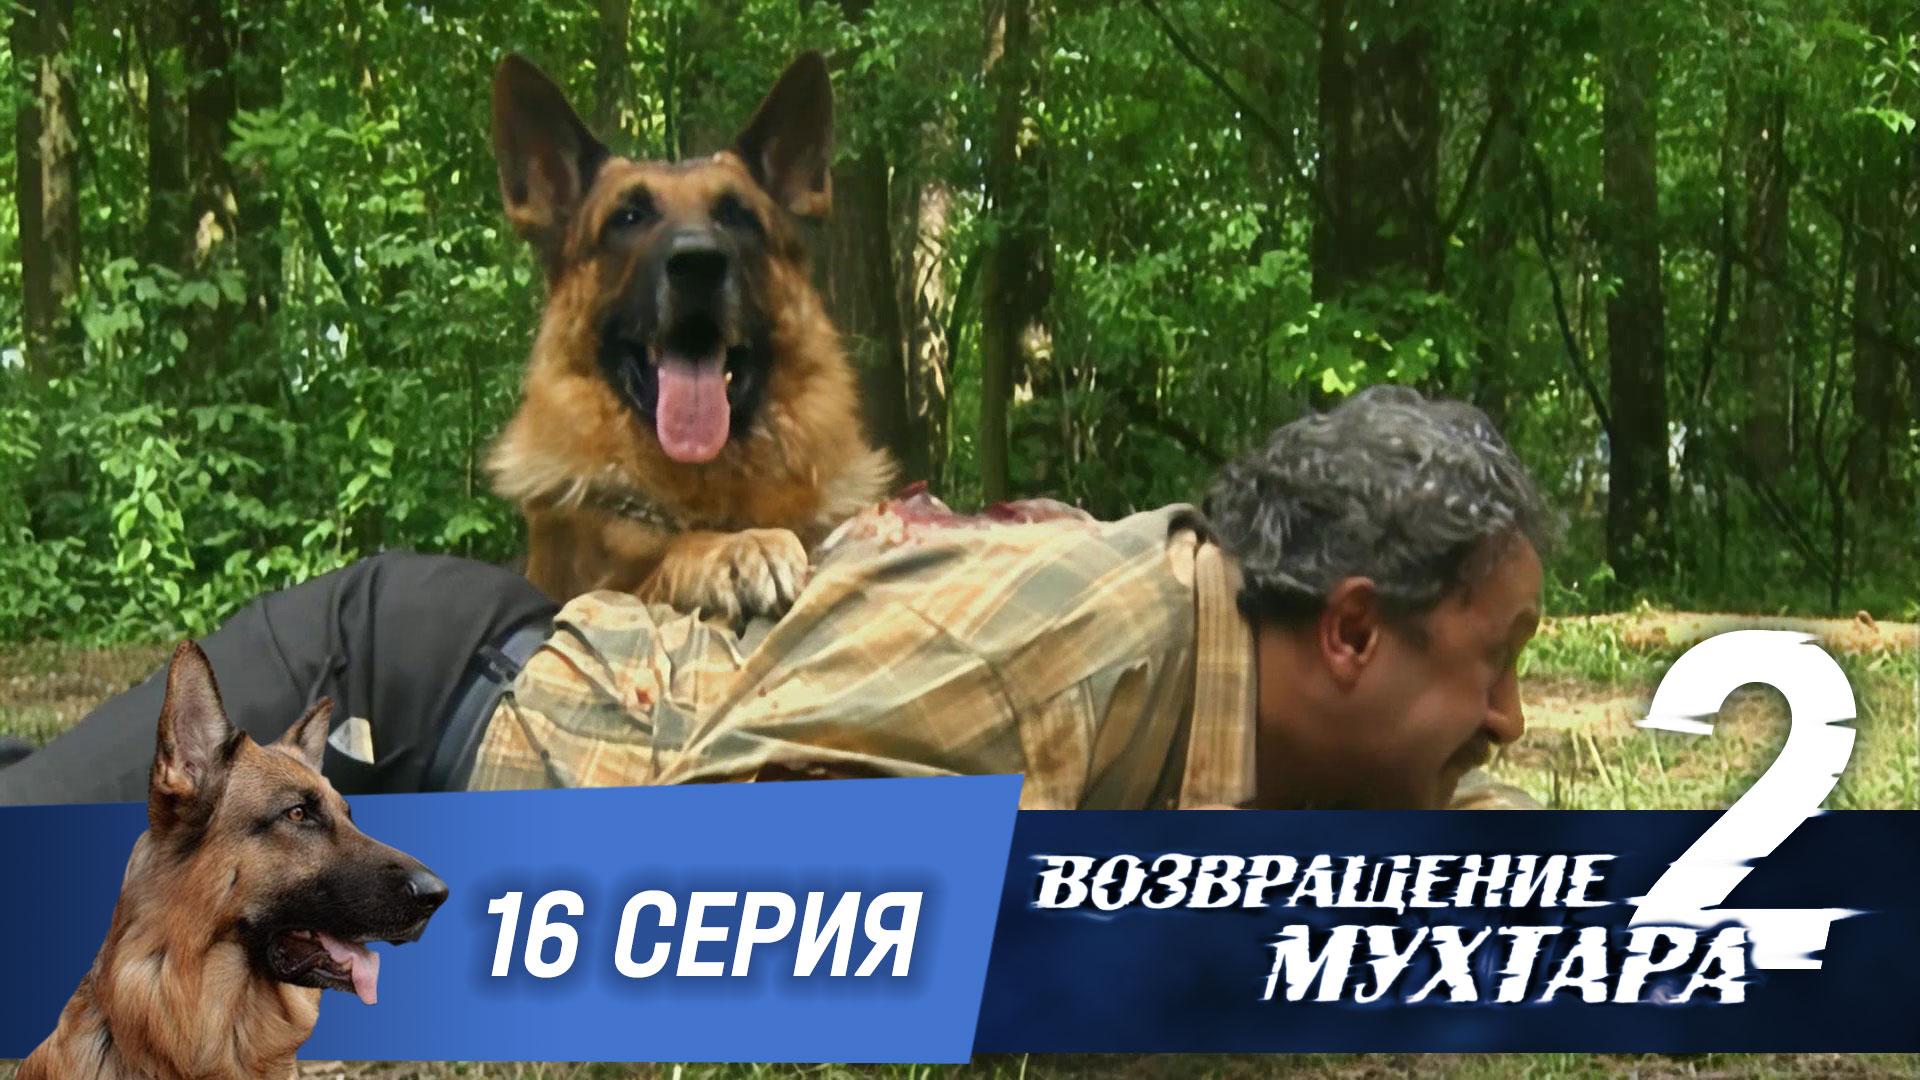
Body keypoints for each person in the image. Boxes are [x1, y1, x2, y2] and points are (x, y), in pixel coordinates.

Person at [0, 386, 1553, 811]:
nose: (1510, 719)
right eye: (1497, 664)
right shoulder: (1053, 661)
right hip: (395, 698)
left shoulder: (1257, 686)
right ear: (1350, 628)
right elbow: (719, 880)